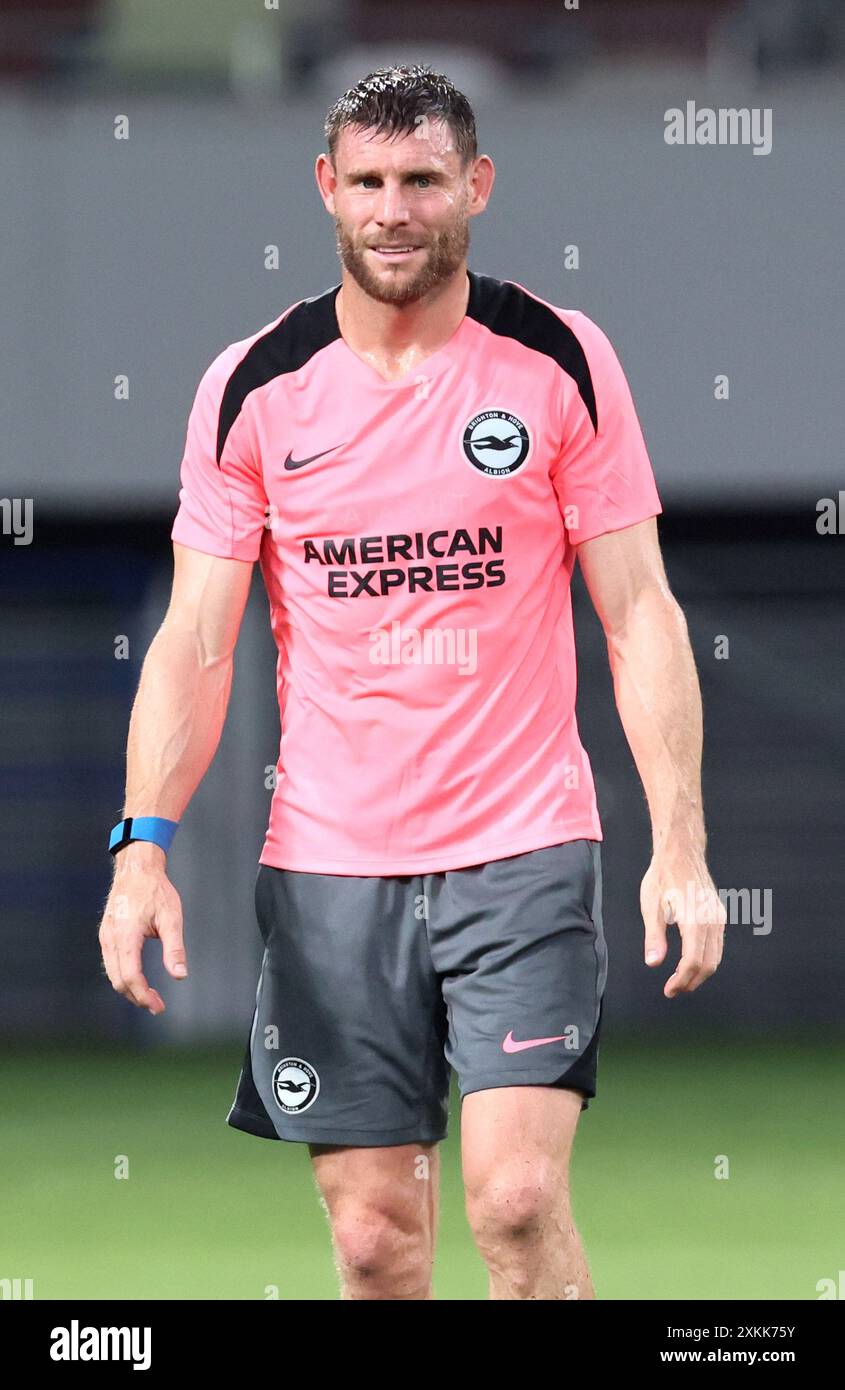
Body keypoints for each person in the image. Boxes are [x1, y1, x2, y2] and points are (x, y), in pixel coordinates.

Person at [98, 64, 725, 1300]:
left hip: (523, 844)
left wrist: (680, 844)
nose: (394, 209)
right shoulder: (252, 386)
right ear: (327, 189)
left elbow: (638, 609)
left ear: (474, 187)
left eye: (423, 180)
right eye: (369, 181)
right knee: (376, 1238)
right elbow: (196, 641)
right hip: (330, 863)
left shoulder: (555, 358)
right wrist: (141, 849)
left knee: (514, 1199)